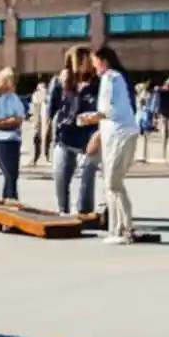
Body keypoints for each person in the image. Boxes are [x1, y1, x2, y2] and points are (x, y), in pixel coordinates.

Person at [87, 46, 140, 244]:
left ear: (103, 60)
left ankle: (124, 229)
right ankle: (117, 228)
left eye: (94, 62)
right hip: (119, 134)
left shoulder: (110, 78)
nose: (93, 66)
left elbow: (106, 110)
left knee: (112, 182)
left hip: (119, 135)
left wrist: (89, 119)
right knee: (112, 183)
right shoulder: (118, 77)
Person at [48, 45, 101, 216]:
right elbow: (50, 110)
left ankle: (85, 211)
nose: (89, 64)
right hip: (65, 136)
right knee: (60, 174)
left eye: (89, 60)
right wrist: (60, 87)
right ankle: (63, 210)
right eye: (85, 60)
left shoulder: (97, 83)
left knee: (87, 172)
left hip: (89, 136)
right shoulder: (59, 82)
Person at [0, 67, 27, 202]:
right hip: (0, 139)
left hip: (14, 138)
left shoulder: (13, 97)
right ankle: (11, 200)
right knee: (8, 172)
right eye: (11, 82)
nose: (13, 85)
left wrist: (5, 121)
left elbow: (20, 118)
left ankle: (8, 200)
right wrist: (10, 120)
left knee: (13, 174)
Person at [29, 81, 50, 165]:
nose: (43, 90)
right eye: (41, 88)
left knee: (47, 139)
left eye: (44, 87)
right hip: (37, 122)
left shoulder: (48, 96)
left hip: (45, 120)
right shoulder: (36, 95)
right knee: (36, 139)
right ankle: (35, 157)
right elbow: (35, 104)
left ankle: (46, 156)